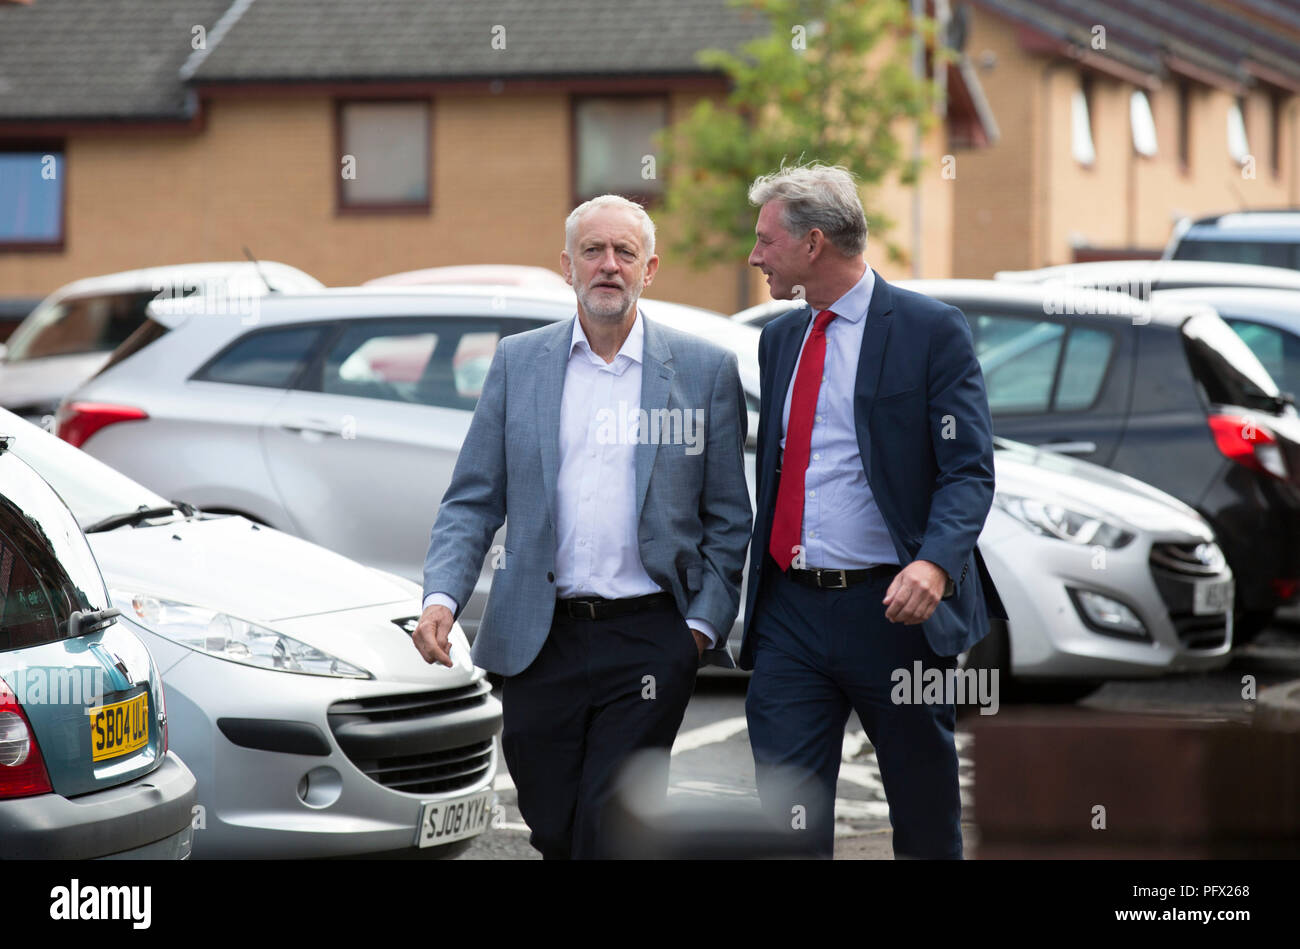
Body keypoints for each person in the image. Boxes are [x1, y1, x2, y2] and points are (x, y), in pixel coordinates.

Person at [411, 194, 752, 859]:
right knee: (554, 821)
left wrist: (700, 627)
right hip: (541, 636)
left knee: (610, 824)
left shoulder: (705, 371)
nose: (608, 265)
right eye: (593, 251)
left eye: (625, 252)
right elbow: (473, 498)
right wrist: (441, 597)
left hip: (652, 635)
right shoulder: (519, 363)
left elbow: (729, 516)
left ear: (649, 268)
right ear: (566, 265)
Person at [740, 162, 1003, 859]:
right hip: (790, 614)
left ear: (813, 243)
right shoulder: (780, 340)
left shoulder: (928, 330)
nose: (754, 255)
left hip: (894, 613)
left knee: (923, 819)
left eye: (766, 240)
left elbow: (969, 468)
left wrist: (935, 563)